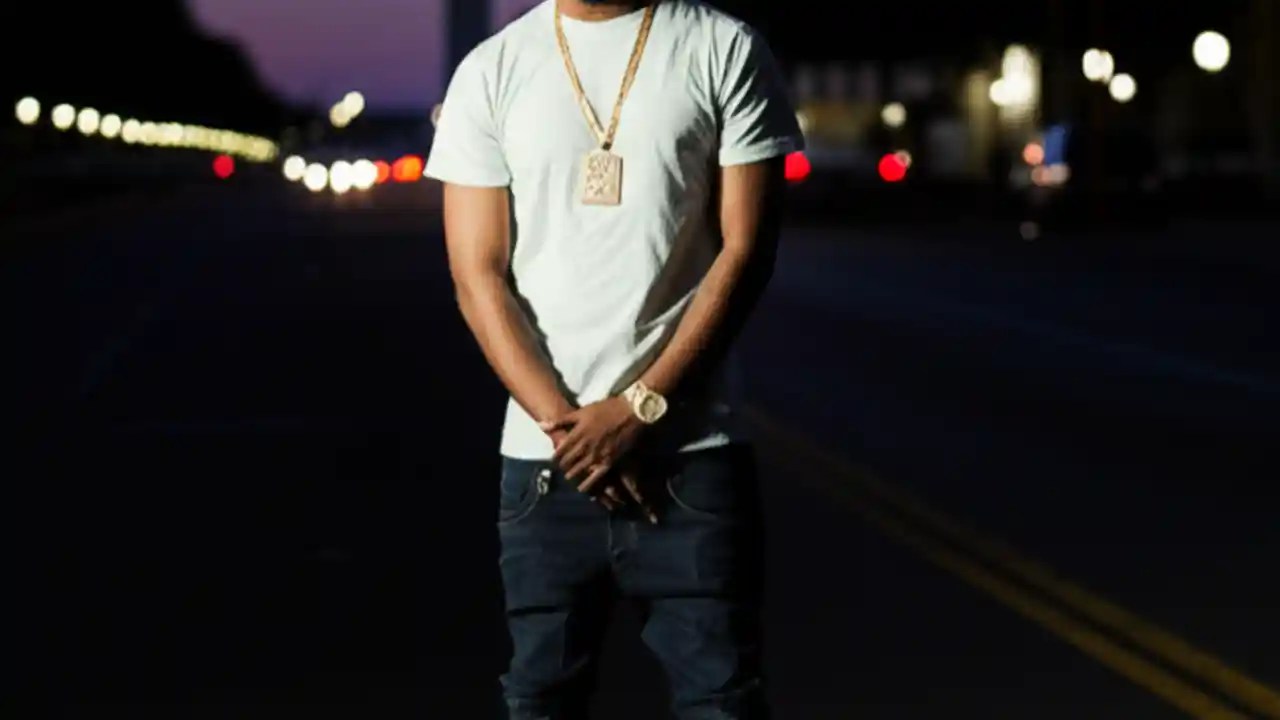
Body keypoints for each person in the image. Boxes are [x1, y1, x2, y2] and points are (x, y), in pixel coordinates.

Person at [424, 0, 802, 716]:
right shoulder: (493, 68)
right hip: (544, 470)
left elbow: (746, 251)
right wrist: (571, 431)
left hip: (692, 457)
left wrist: (641, 409)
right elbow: (478, 275)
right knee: (540, 700)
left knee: (721, 703)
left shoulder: (723, 47)